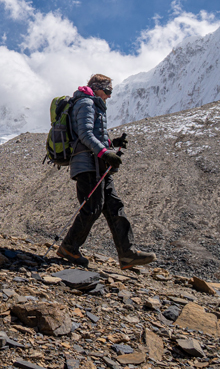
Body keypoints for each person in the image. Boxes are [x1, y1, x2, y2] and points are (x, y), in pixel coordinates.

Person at [57, 73, 156, 270]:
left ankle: (127, 254)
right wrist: (105, 153)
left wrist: (111, 143)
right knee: (93, 207)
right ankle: (69, 246)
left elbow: (94, 134)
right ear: (97, 88)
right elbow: (84, 134)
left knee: (114, 206)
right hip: (87, 165)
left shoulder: (93, 104)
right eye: (108, 90)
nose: (109, 95)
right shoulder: (85, 103)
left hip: (98, 164)